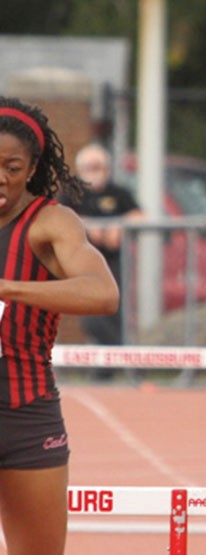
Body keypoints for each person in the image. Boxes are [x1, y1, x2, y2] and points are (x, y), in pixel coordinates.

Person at [0, 97, 119, 554]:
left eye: (12, 166)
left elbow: (102, 293)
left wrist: (8, 289)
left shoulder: (50, 223)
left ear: (32, 168)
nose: (1, 177)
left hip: (27, 413)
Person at [62, 143, 142, 380]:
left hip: (115, 264)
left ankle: (105, 371)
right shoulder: (72, 192)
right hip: (84, 265)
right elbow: (59, 215)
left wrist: (121, 226)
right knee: (91, 317)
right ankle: (129, 359)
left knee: (115, 313)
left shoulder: (119, 193)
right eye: (89, 167)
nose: (94, 171)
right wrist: (87, 227)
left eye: (98, 166)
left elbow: (140, 215)